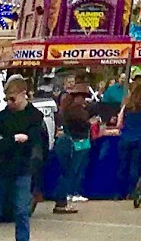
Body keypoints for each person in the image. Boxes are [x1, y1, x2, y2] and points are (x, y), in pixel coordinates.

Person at [0, 77, 49, 241]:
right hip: (0, 169)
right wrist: (13, 139)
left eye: (12, 98)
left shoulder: (35, 116)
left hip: (22, 169)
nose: (9, 103)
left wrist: (8, 142)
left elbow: (34, 141)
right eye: (6, 99)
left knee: (21, 212)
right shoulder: (0, 117)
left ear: (23, 95)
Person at [52, 77, 94, 213]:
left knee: (65, 172)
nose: (84, 100)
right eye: (82, 97)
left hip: (66, 142)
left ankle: (62, 200)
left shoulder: (66, 108)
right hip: (75, 143)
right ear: (77, 97)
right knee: (70, 172)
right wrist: (90, 122)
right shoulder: (76, 110)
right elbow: (82, 125)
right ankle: (63, 201)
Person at [119, 75, 141, 199]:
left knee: (123, 165)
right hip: (139, 138)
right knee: (134, 165)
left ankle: (120, 192)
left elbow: (119, 123)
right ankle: (132, 191)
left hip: (124, 138)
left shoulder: (126, 106)